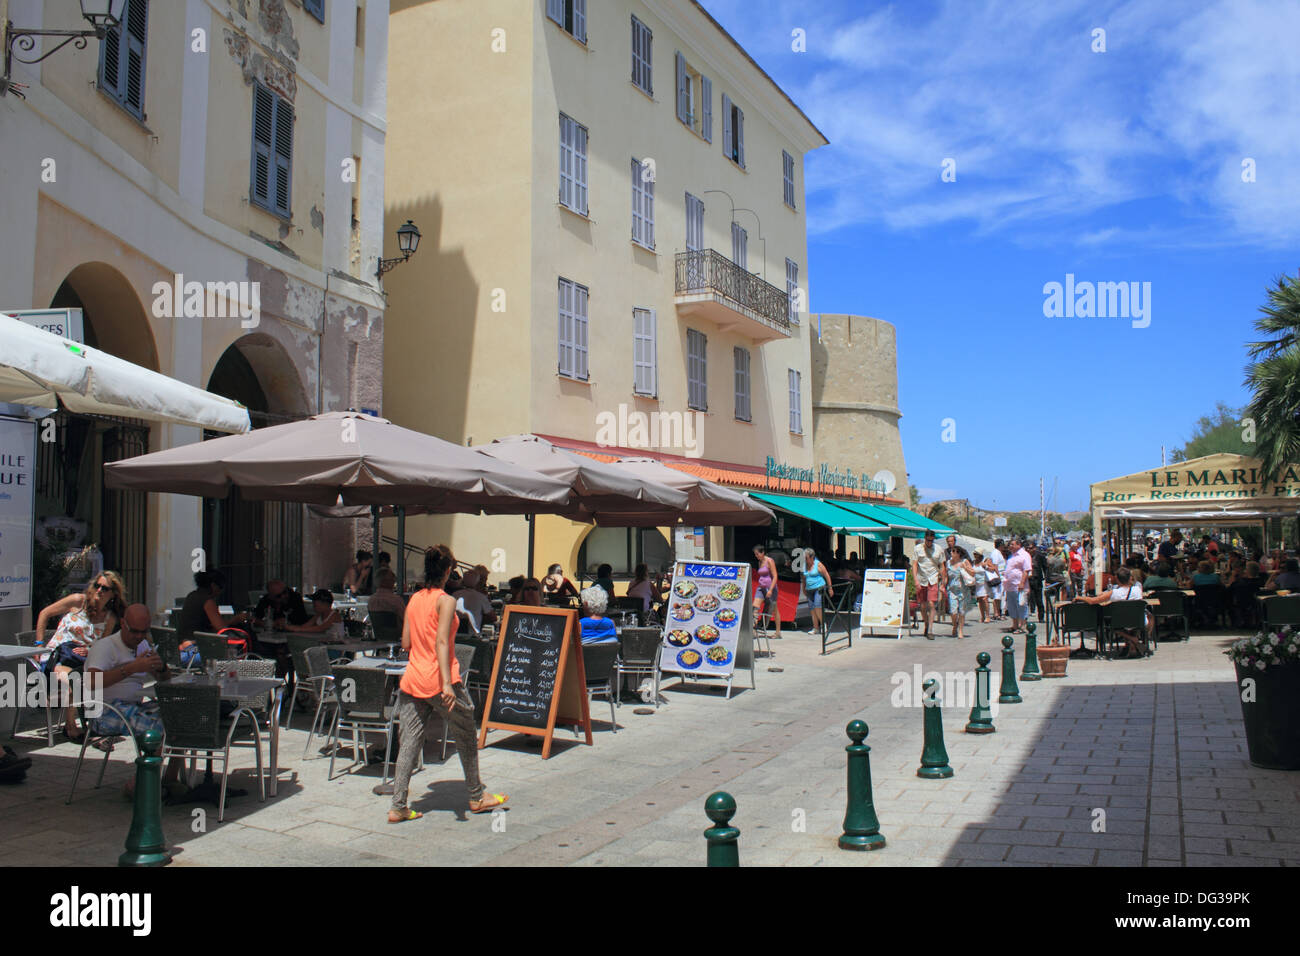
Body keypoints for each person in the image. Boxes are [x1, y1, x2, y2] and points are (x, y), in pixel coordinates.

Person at [387, 546, 508, 823]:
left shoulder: (414, 599)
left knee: (410, 741)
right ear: (446, 571)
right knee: (466, 734)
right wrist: (447, 684)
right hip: (441, 678)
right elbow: (443, 641)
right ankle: (476, 796)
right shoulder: (446, 601)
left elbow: (406, 642)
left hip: (413, 677)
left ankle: (398, 805)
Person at [85, 603, 187, 798]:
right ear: (123, 624)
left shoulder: (142, 644)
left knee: (180, 715)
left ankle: (170, 779)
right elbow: (91, 682)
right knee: (159, 727)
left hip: (133, 706)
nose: (139, 637)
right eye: (134, 632)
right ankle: (137, 785)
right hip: (105, 710)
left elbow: (163, 680)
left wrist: (161, 668)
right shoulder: (106, 647)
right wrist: (131, 668)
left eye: (144, 632)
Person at [34, 571, 126, 741]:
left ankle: (99, 726)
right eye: (97, 585)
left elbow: (103, 647)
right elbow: (44, 614)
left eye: (104, 588)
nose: (99, 590)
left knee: (102, 678)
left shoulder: (109, 617)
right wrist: (39, 645)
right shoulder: (78, 601)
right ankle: (71, 727)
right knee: (76, 679)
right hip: (57, 656)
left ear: (113, 593)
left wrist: (91, 651)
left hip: (82, 660)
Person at [1073, 567, 1151, 658]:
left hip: (1120, 622)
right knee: (1138, 618)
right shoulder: (1137, 590)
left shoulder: (1114, 593)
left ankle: (1132, 640)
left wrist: (1079, 597)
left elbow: (1092, 601)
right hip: (1139, 621)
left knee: (1110, 624)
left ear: (1117, 579)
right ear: (1130, 577)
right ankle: (1132, 643)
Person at [912, 531, 946, 639]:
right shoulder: (918, 549)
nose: (930, 542)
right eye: (928, 540)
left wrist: (943, 582)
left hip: (933, 579)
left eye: (932, 540)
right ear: (925, 538)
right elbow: (914, 564)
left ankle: (930, 629)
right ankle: (926, 623)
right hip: (922, 579)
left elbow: (942, 566)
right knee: (922, 606)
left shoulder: (939, 549)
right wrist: (915, 580)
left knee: (931, 604)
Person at [800, 546, 833, 634]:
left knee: (818, 606)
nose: (805, 560)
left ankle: (823, 624)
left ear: (811, 557)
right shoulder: (804, 566)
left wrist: (830, 588)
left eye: (806, 558)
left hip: (819, 587)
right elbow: (803, 578)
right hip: (809, 589)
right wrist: (803, 589)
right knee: (812, 609)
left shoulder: (818, 564)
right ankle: (815, 628)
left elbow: (826, 575)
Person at [752, 545, 782, 640]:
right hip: (761, 587)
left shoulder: (770, 561)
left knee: (774, 610)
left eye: (757, 554)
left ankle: (778, 632)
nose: (756, 556)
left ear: (762, 552)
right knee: (755, 607)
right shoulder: (759, 562)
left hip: (770, 588)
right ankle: (753, 630)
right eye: (755, 554)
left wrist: (771, 590)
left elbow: (775, 576)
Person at [1003, 539, 1032, 634]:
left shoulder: (1024, 555)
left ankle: (1022, 626)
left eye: (1012, 544)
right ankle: (1014, 625)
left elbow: (1026, 570)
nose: (1010, 546)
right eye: (1009, 544)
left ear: (1019, 545)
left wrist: (1022, 583)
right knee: (1012, 606)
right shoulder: (1012, 556)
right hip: (1010, 585)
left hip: (1019, 585)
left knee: (1021, 605)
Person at [945, 547, 973, 639]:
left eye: (953, 551)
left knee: (961, 612)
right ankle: (954, 625)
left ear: (958, 553)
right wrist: (942, 586)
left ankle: (960, 630)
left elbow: (973, 573)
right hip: (952, 590)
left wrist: (965, 568)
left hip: (963, 591)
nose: (951, 553)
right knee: (953, 612)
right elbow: (945, 576)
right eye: (951, 551)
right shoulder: (948, 563)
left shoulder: (964, 562)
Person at [986, 540, 1007, 621]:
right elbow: (995, 566)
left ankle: (999, 612)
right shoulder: (995, 553)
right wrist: (998, 577)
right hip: (999, 576)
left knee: (1000, 596)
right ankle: (996, 613)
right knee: (997, 596)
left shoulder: (998, 553)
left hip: (1002, 575)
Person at [972, 551, 990, 623]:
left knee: (984, 599)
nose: (975, 555)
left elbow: (991, 569)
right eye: (974, 554)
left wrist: (985, 566)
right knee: (979, 600)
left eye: (976, 554)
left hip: (984, 583)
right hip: (977, 584)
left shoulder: (983, 563)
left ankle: (987, 616)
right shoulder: (973, 562)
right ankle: (982, 616)